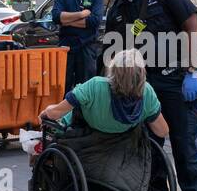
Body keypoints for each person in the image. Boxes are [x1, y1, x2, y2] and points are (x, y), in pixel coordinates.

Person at [100, 0, 197, 191]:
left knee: (184, 148)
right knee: (148, 151)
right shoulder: (119, 8)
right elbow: (112, 52)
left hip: (174, 79)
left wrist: (193, 71)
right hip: (142, 87)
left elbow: (192, 24)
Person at [40, 48, 169, 138]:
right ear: (141, 73)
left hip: (88, 139)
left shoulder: (95, 85)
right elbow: (162, 131)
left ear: (113, 70)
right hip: (125, 144)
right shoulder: (147, 91)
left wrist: (46, 112)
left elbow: (55, 113)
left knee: (53, 116)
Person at [51, 0, 105, 92]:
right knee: (63, 89)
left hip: (87, 48)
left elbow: (94, 21)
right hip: (66, 48)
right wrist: (81, 15)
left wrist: (67, 20)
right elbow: (56, 17)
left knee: (86, 90)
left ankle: (84, 114)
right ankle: (64, 114)